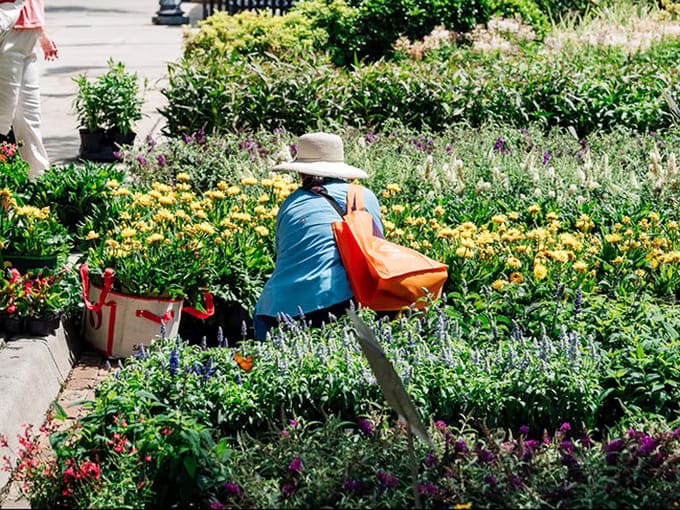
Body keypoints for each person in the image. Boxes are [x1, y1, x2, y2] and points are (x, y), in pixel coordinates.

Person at [253, 132, 384, 340]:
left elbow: (281, 254)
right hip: (335, 302)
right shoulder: (361, 197)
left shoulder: (290, 203)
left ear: (301, 172)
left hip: (273, 308)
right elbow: (378, 251)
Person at [0, 0, 58, 181]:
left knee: (29, 117)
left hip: (28, 34)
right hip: (9, 31)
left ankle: (39, 182)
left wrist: (41, 32)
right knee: (2, 116)